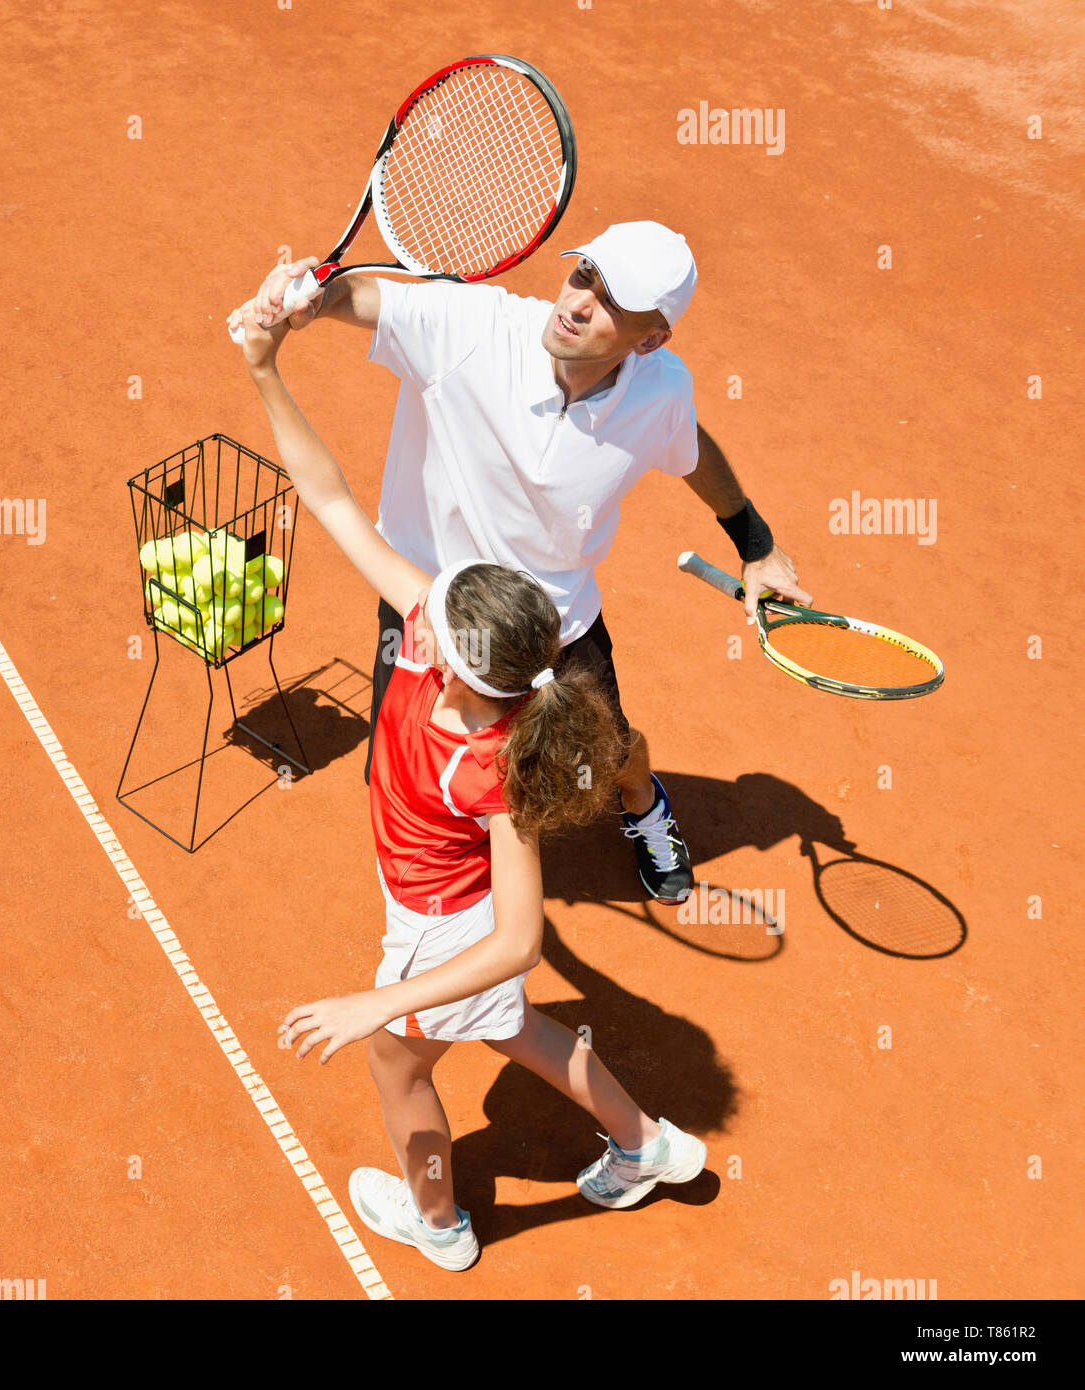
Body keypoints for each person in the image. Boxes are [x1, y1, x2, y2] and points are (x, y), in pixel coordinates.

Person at [238, 305, 708, 1272]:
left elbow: (518, 940)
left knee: (397, 1064)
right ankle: (646, 1144)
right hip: (434, 916)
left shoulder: (490, 770)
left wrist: (383, 1002)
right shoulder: (431, 636)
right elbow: (328, 499)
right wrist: (265, 371)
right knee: (519, 1029)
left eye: (439, 611)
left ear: (454, 663)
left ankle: (439, 1224)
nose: (422, 600)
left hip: (437, 931)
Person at [229, 222, 812, 905]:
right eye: (583, 275)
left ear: (650, 339)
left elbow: (689, 447)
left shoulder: (660, 392)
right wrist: (308, 299)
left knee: (608, 754)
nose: (578, 303)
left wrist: (756, 543)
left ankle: (643, 804)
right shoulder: (473, 324)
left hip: (557, 620)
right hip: (431, 609)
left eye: (612, 303)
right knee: (405, 776)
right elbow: (362, 299)